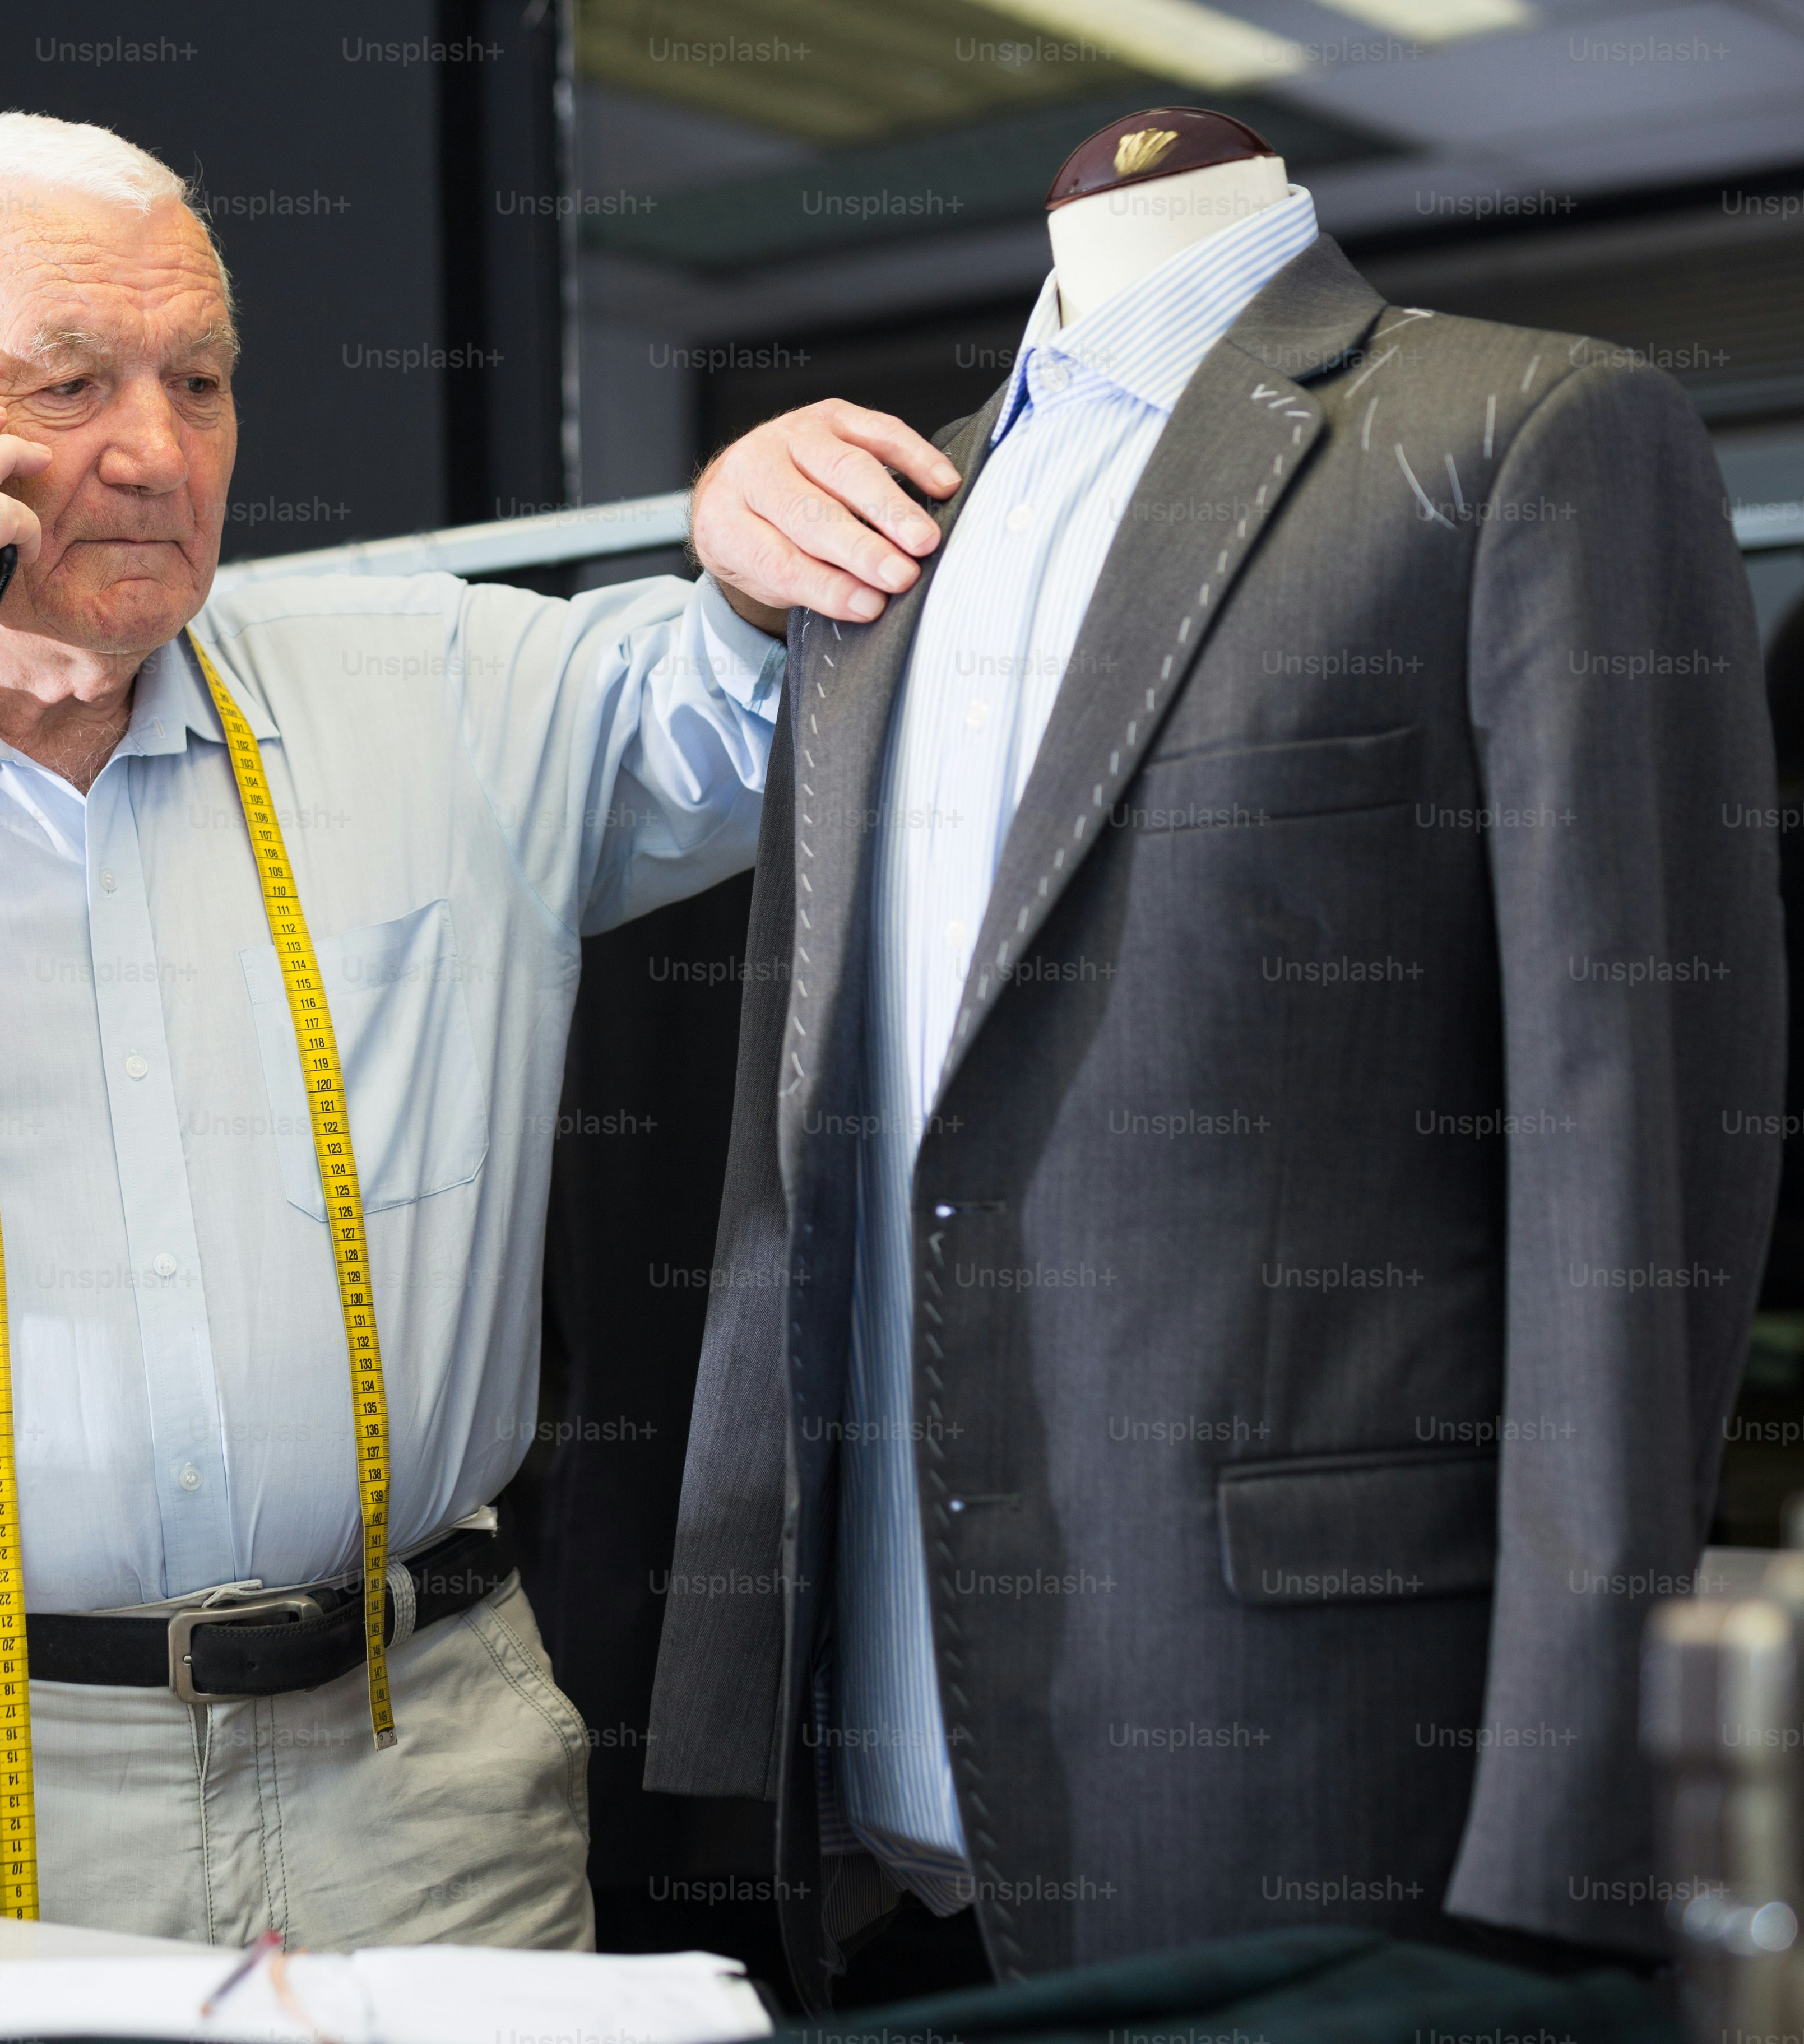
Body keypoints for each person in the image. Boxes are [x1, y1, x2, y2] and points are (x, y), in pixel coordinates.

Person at [0, 110, 949, 1948]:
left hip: (422, 1767)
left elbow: (759, 698)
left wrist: (755, 535)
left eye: (204, 380)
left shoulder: (450, 691)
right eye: (73, 383)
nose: (159, 453)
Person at [643, 121, 1782, 2009]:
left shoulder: (1524, 435)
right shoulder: (887, 527)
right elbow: (816, 1133)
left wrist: (1564, 1840)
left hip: (1308, 1738)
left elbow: (1635, 1161)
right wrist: (737, 1680)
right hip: (869, 1771)